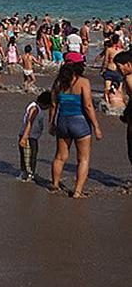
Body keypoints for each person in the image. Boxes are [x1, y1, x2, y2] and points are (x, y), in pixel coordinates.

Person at [49, 54, 103, 198]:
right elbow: (88, 105)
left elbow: (53, 105)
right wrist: (96, 126)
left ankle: (54, 185)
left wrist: (52, 123)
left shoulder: (58, 82)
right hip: (80, 122)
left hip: (62, 121)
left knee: (60, 157)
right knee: (83, 159)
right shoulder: (83, 82)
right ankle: (77, 191)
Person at [18, 91, 52, 182]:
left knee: (29, 156)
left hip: (31, 136)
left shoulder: (35, 107)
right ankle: (29, 175)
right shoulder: (35, 109)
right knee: (30, 157)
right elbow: (30, 122)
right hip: (28, 137)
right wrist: (25, 138)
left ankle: (26, 173)